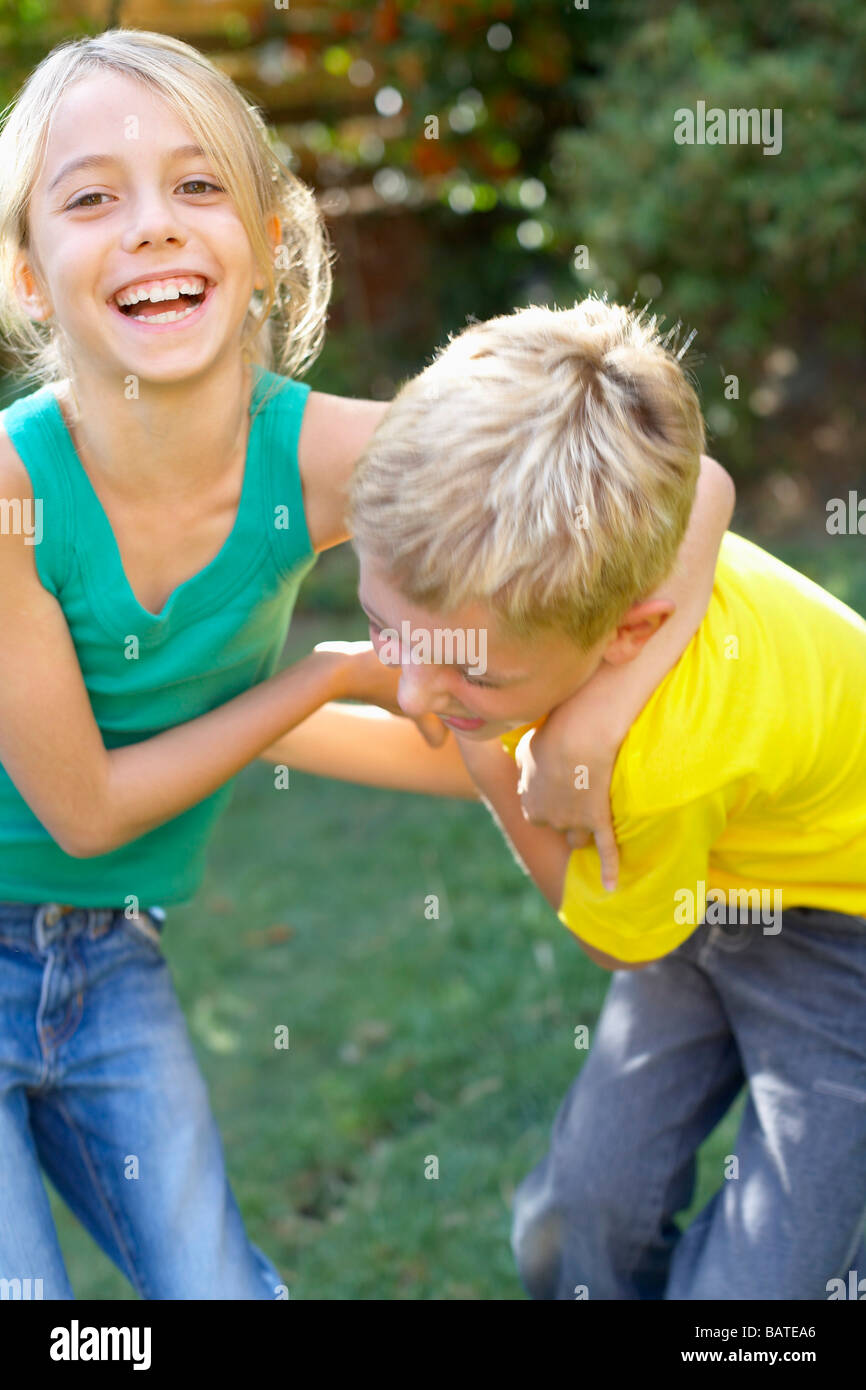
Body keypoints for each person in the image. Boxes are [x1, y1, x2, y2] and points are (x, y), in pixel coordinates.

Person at [0, 31, 730, 1299]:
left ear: (273, 238)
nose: (154, 228)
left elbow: (691, 482)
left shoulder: (326, 458)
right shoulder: (14, 492)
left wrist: (590, 716)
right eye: (92, 198)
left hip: (107, 949)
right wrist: (322, 677)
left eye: (197, 186)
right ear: (25, 276)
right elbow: (85, 806)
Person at [268, 298, 866, 1300]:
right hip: (707, 870)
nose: (414, 692)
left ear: (630, 633)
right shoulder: (612, 551)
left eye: (470, 681)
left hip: (838, 929)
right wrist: (270, 717)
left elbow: (617, 940)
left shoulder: (661, 758)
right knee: (575, 1217)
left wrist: (495, 765)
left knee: (765, 1294)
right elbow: (707, 482)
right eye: (386, 628)